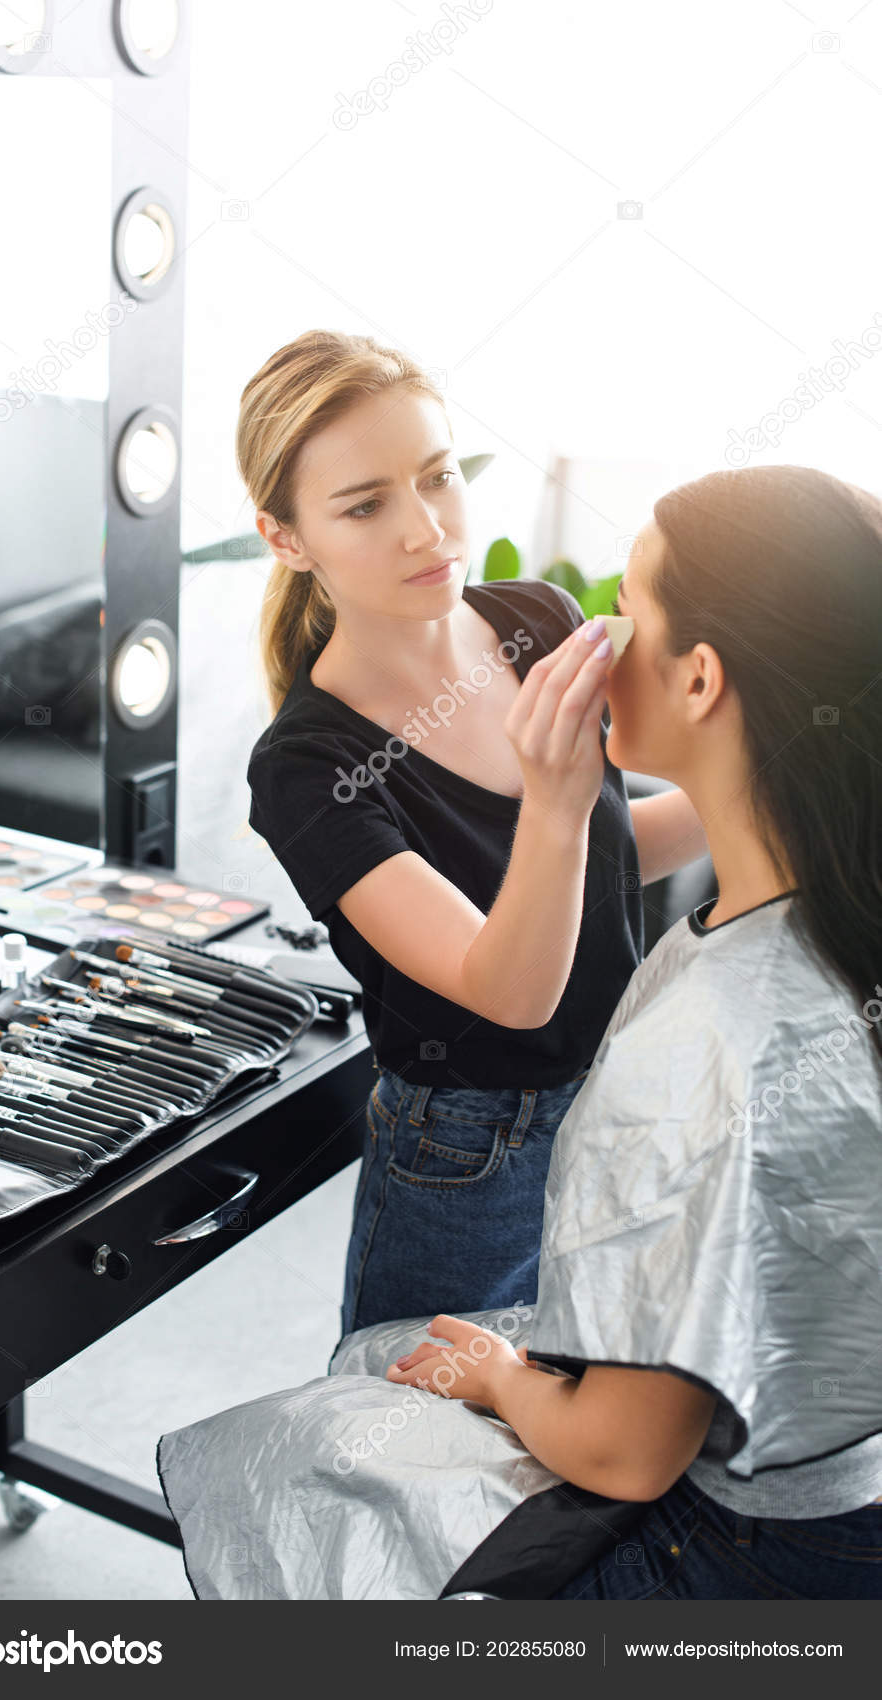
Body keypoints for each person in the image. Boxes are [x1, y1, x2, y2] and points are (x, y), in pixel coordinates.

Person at [158, 465, 882, 1600]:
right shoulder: (822, 926)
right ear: (286, 536)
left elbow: (630, 1449)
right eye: (362, 501)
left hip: (756, 1557)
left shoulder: (704, 1035)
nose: (596, 630)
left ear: (700, 677)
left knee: (306, 1456)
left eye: (631, 610)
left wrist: (505, 1378)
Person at [241, 329, 706, 1333]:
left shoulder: (534, 620)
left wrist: (763, 774)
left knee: (575, 1428)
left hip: (612, 1100)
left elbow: (615, 852)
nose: (426, 530)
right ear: (286, 536)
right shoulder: (306, 767)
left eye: (439, 477)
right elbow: (510, 990)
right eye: (365, 505)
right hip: (470, 1150)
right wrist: (552, 794)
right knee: (419, 1447)